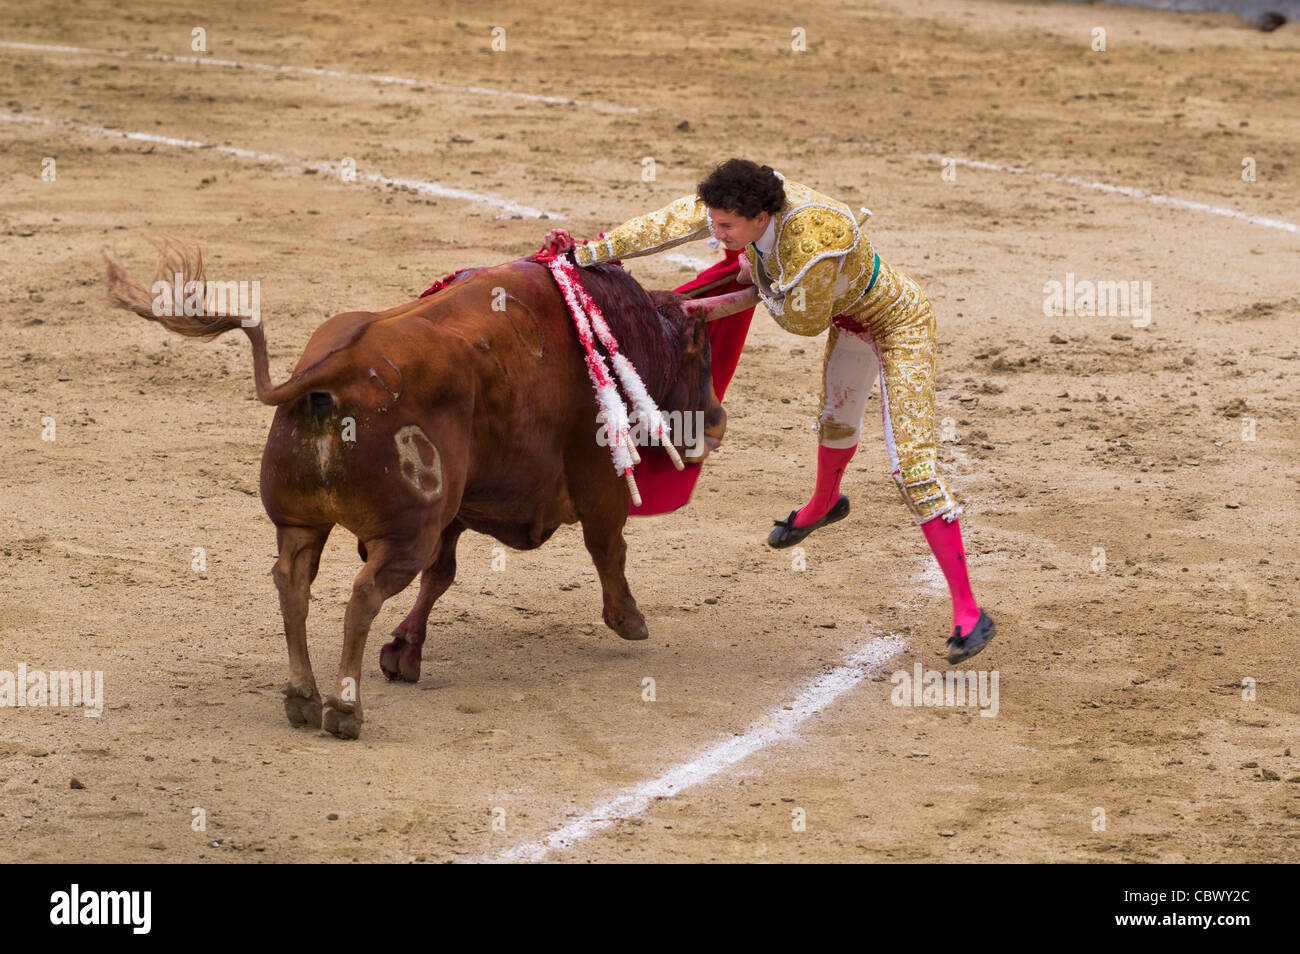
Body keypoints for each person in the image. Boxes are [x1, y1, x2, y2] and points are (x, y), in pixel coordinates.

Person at [541, 158, 994, 663]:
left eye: (726, 227)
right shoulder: (738, 208)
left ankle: (970, 612)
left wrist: (734, 287)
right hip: (848, 318)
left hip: (898, 324)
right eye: (713, 222)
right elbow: (661, 226)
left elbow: (801, 321)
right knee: (835, 421)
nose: (716, 233)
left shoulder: (815, 244)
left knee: (912, 468)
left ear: (761, 217)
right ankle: (824, 505)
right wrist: (584, 254)